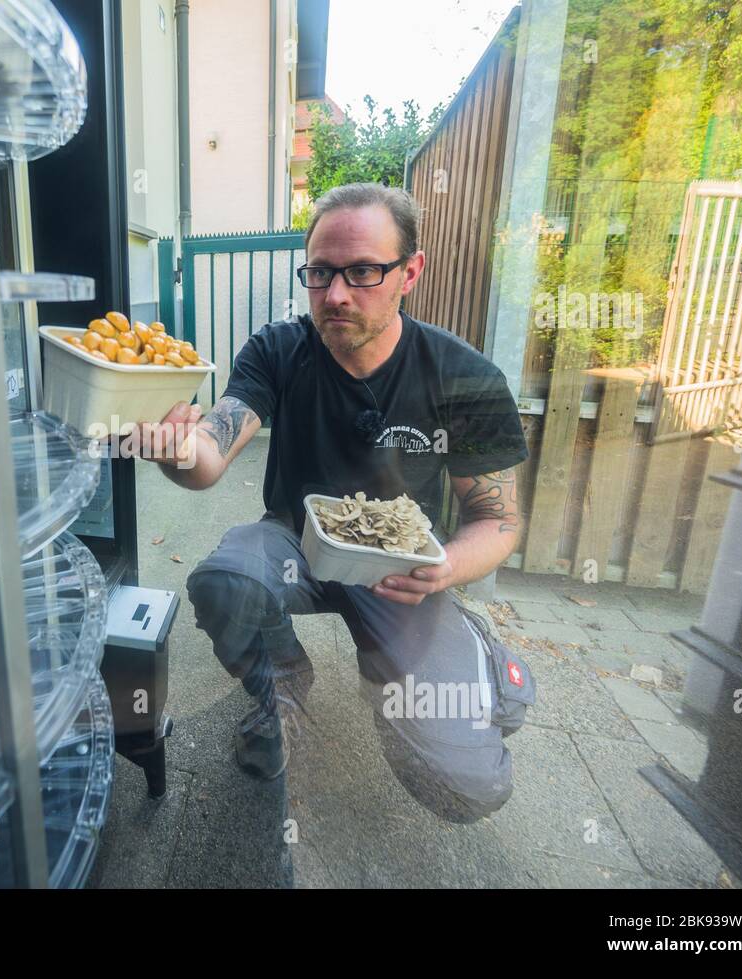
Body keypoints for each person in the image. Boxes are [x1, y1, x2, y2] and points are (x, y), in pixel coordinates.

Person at [136, 182, 535, 823]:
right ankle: (285, 683)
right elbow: (210, 455)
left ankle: (475, 649)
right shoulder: (278, 350)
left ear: (411, 272)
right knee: (225, 578)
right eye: (320, 273)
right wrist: (175, 451)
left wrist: (446, 569)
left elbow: (498, 519)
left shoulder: (465, 378)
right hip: (296, 543)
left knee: (464, 788)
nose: (336, 295)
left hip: (402, 571)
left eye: (363, 271)